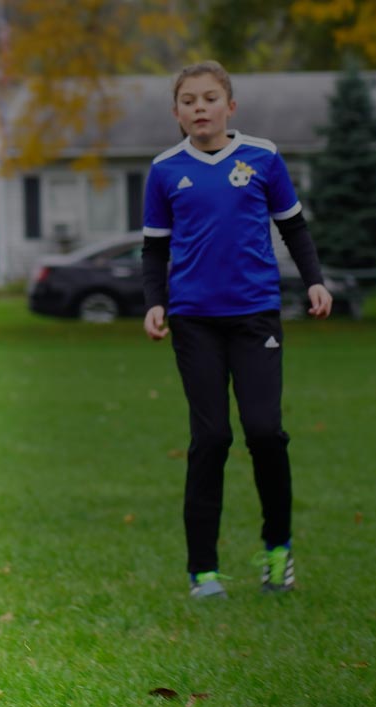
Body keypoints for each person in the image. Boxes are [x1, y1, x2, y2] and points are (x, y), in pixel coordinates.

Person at [140, 60, 330, 599]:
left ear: (230, 106)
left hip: (255, 317)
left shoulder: (263, 157)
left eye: (209, 98)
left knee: (265, 432)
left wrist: (314, 282)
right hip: (195, 321)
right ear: (176, 113)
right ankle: (203, 571)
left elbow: (293, 226)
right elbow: (154, 248)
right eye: (188, 101)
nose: (199, 109)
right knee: (212, 438)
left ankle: (278, 550)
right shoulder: (164, 169)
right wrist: (155, 304)